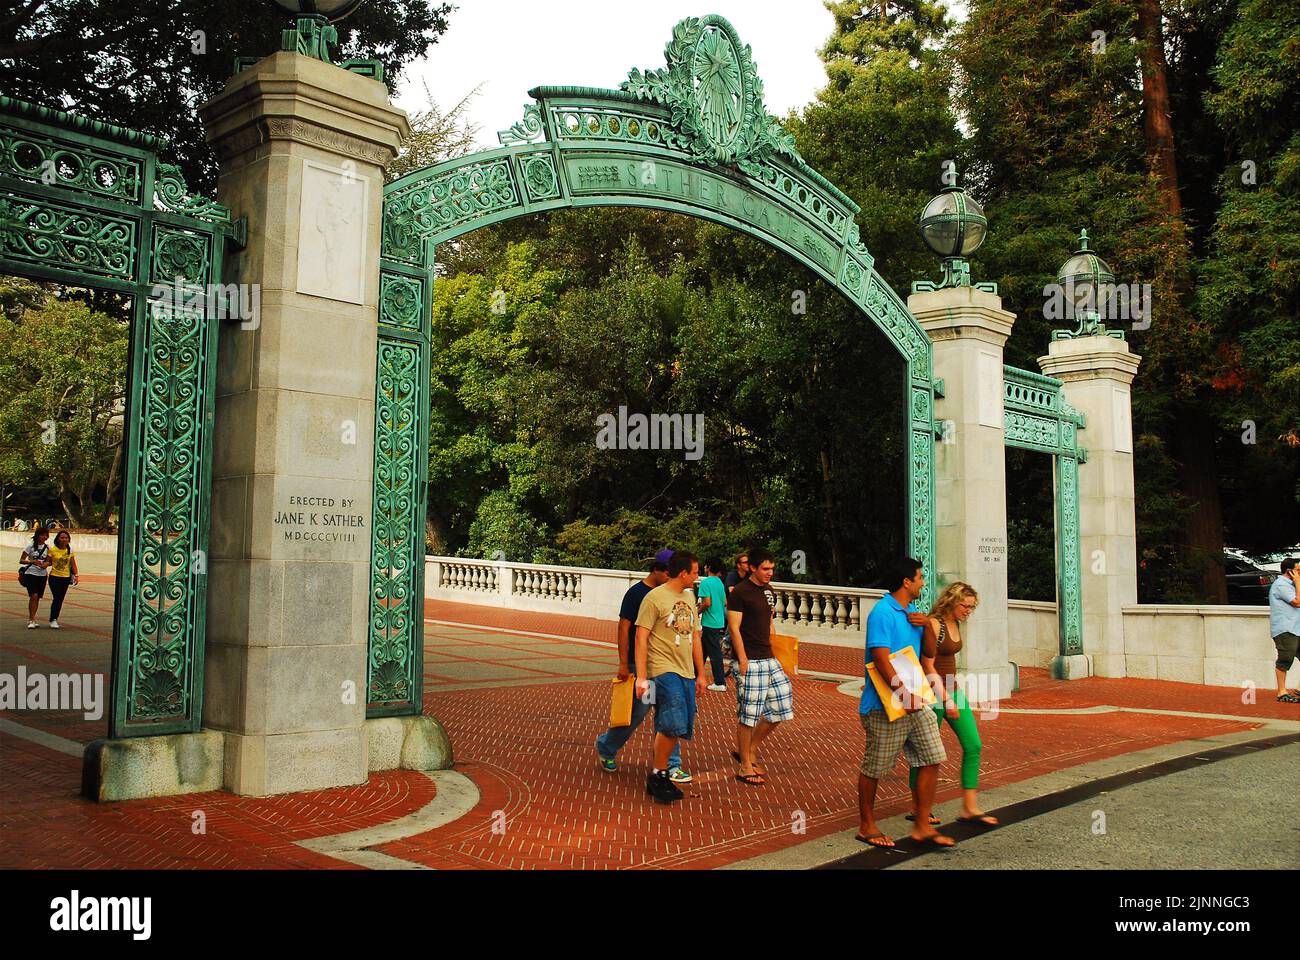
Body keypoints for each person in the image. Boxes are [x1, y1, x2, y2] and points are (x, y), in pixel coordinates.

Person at [855, 557, 954, 849]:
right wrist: (903, 693)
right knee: (876, 768)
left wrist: (928, 627)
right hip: (884, 705)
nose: (924, 582)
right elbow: (880, 659)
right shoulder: (882, 613)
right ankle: (866, 825)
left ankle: (922, 825)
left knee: (932, 758)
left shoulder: (913, 612)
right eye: (920, 577)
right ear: (906, 582)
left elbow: (927, 655)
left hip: (917, 699)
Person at [907, 582, 998, 827]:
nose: (969, 610)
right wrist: (945, 699)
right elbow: (927, 665)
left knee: (974, 745)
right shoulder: (934, 623)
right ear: (951, 601)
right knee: (925, 754)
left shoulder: (956, 622)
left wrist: (952, 695)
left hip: (952, 690)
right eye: (965, 605)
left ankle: (969, 807)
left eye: (972, 607)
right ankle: (918, 807)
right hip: (931, 693)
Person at [595, 550, 689, 782]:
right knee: (637, 713)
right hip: (641, 668)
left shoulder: (674, 593)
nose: (671, 577)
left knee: (670, 715)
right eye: (668, 573)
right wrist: (624, 663)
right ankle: (606, 747)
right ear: (657, 570)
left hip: (665, 668)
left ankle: (670, 764)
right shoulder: (637, 594)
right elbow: (624, 628)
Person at [635, 551, 705, 804]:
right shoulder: (654, 598)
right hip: (663, 668)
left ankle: (661, 775)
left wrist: (701, 675)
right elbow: (640, 637)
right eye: (695, 572)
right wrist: (641, 677)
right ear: (684, 572)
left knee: (680, 725)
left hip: (686, 670)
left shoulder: (689, 596)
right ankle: (659, 774)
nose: (698, 577)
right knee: (673, 722)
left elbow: (696, 636)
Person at [726, 548, 793, 785]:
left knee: (781, 705)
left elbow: (769, 621)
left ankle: (750, 748)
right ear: (752, 568)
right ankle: (745, 766)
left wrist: (777, 650)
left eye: (772, 569)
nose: (770, 573)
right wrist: (742, 659)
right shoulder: (740, 593)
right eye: (765, 568)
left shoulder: (769, 591)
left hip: (768, 656)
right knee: (749, 713)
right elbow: (734, 628)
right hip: (749, 659)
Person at [1268, 558, 1300, 703]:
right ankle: (1282, 692)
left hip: (1297, 628)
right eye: (1298, 570)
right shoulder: (1281, 585)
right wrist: (1298, 582)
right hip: (1286, 629)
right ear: (1290, 572)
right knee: (1285, 659)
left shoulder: (1293, 584)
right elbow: (1297, 602)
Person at [697, 559, 728, 691]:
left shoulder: (705, 582)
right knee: (702, 650)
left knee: (714, 653)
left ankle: (720, 682)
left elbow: (707, 603)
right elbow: (725, 602)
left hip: (710, 622)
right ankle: (695, 676)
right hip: (718, 620)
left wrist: (697, 610)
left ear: (708, 568)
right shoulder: (719, 582)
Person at [19, 526, 52, 629]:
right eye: (42, 535)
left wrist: (46, 564)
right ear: (37, 535)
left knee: (37, 597)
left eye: (46, 535)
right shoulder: (30, 547)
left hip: (42, 575)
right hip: (31, 573)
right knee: (34, 595)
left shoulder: (48, 548)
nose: (44, 537)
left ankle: (33, 617)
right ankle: (31, 619)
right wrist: (32, 561)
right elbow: (21, 560)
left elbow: (49, 561)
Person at [45, 529, 79, 630]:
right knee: (57, 598)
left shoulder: (70, 550)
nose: (64, 539)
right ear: (58, 539)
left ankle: (54, 618)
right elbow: (48, 562)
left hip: (65, 577)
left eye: (66, 538)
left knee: (60, 599)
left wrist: (76, 575)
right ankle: (53, 619)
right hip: (54, 577)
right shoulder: (52, 550)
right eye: (62, 537)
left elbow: (73, 564)